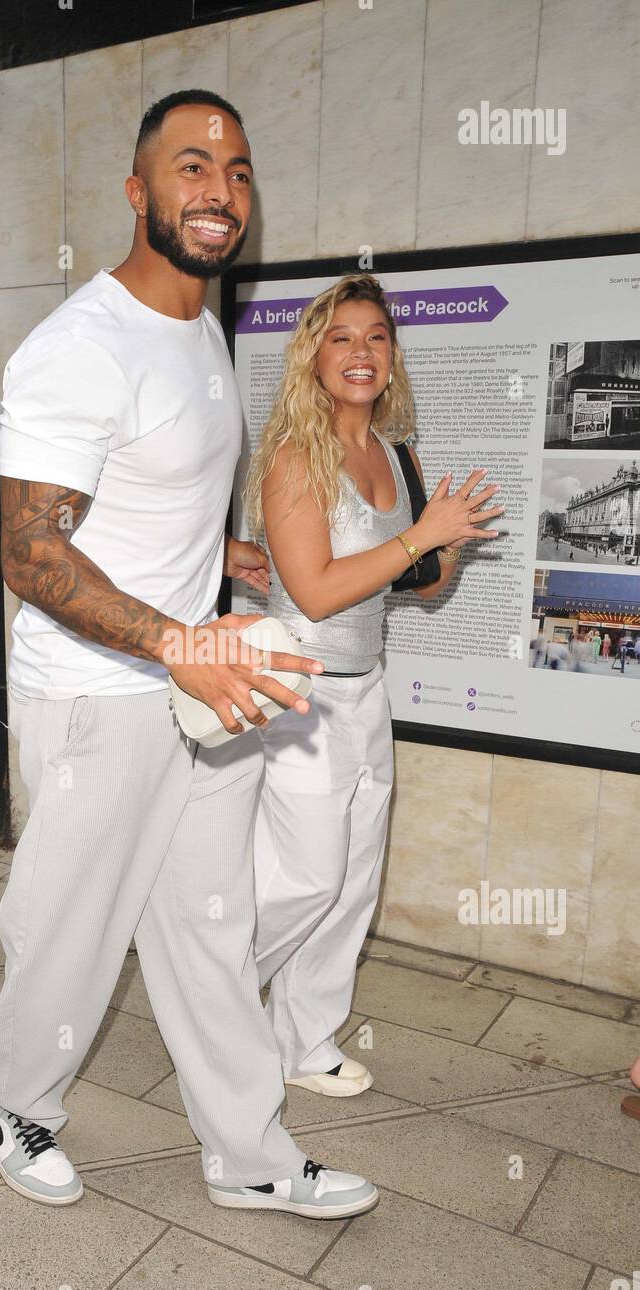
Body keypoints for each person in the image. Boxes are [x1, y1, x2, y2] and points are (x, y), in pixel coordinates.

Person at [0, 90, 380, 1221]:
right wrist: (172, 640)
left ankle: (247, 1150)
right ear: (139, 190)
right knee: (70, 927)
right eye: (193, 167)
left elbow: (148, 500)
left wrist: (227, 555)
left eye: (239, 172)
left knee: (210, 927)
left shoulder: (200, 326)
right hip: (101, 693)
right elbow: (30, 549)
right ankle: (17, 1102)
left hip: (196, 684)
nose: (220, 192)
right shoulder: (78, 348)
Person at [243, 272, 502, 1096]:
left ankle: (305, 1037)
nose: (361, 353)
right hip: (298, 690)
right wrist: (418, 536)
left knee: (355, 875)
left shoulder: (398, 453)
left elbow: (416, 585)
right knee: (309, 874)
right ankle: (209, 995)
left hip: (366, 689)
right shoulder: (292, 455)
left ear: (392, 359)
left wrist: (445, 544)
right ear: (313, 355)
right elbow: (315, 590)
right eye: (342, 337)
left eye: (376, 338)